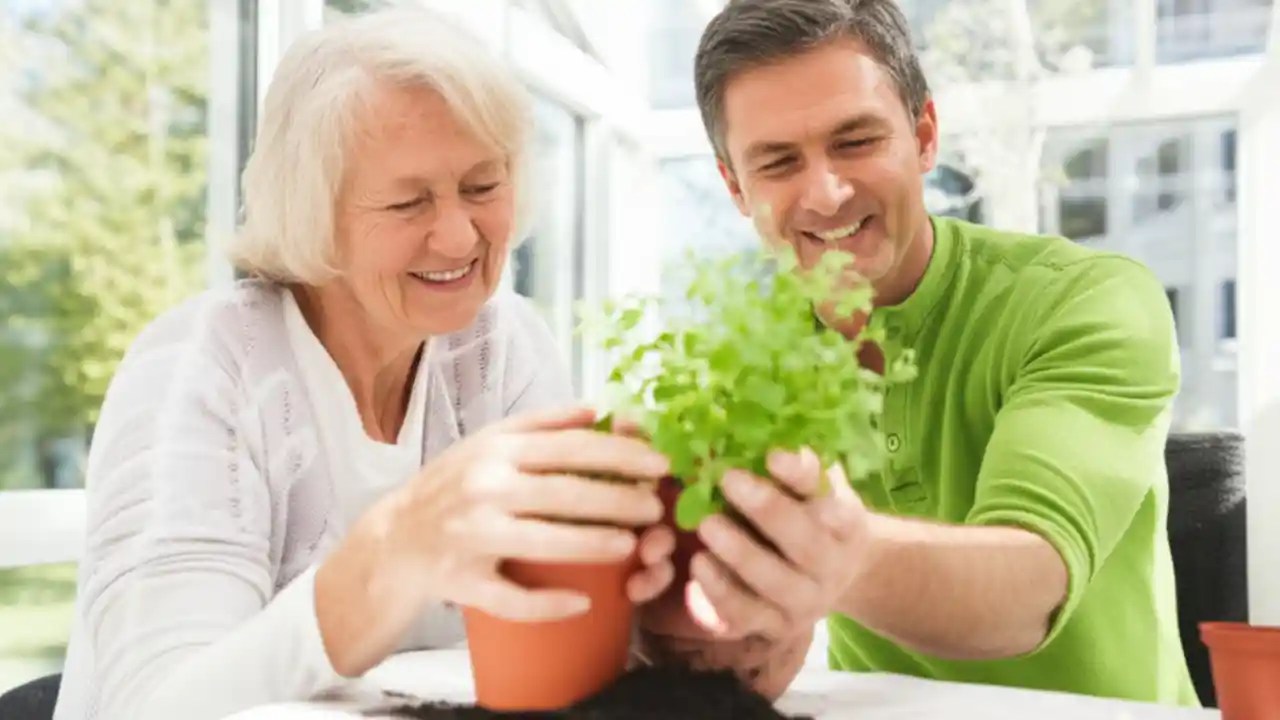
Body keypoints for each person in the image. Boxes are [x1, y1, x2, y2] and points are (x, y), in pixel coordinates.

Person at [51, 8, 675, 720]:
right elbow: (153, 708)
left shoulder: (504, 347)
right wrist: (394, 553)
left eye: (482, 186)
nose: (459, 234)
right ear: (311, 212)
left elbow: (558, 623)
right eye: (409, 202)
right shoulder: (199, 370)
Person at [636, 0, 1198, 707]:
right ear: (734, 187)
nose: (827, 192)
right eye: (778, 162)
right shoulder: (740, 368)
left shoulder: (1089, 301)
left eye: (855, 141)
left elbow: (1030, 589)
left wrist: (827, 556)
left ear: (924, 135)